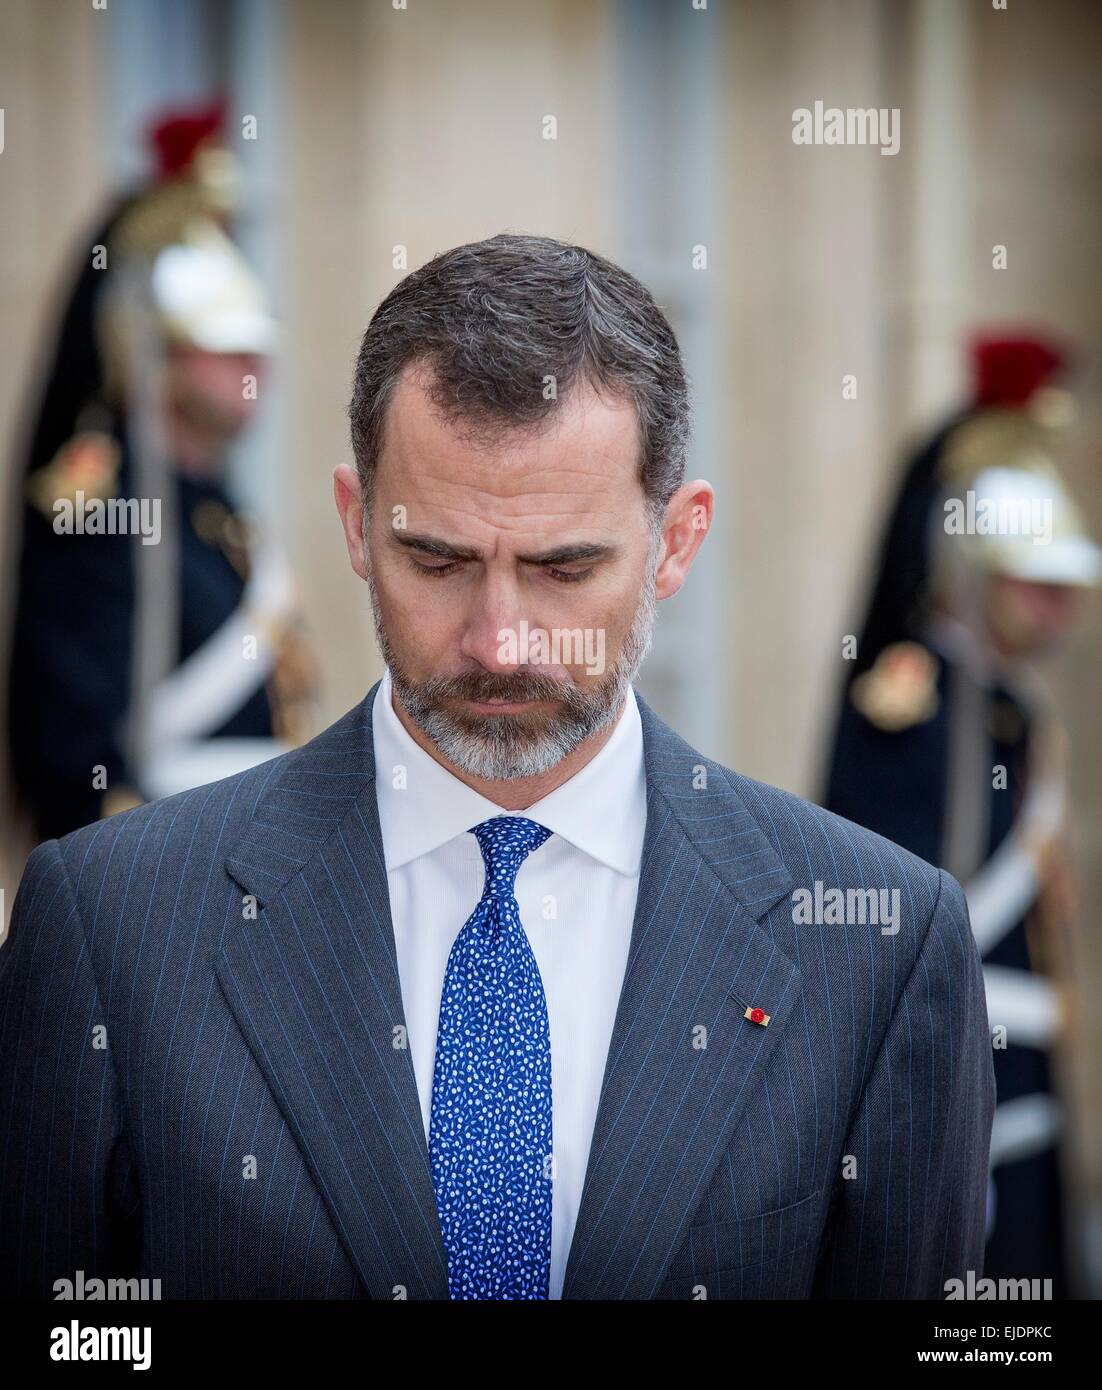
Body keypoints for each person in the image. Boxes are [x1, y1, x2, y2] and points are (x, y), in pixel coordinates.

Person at [0, 233, 994, 1301]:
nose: (501, 640)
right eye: (437, 559)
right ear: (354, 523)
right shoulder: (111, 923)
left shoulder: (882, 947)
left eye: (564, 566)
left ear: (677, 539)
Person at [823, 335, 1099, 1298]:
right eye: (1035, 582)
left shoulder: (1010, 705)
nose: (1056, 609)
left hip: (1028, 1089)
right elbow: (889, 930)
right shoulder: (912, 705)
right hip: (957, 1103)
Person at [6, 101, 317, 842]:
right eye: (226, 350)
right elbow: (73, 745)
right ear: (163, 355)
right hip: (160, 851)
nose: (254, 371)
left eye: (258, 352)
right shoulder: (94, 505)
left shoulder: (219, 509)